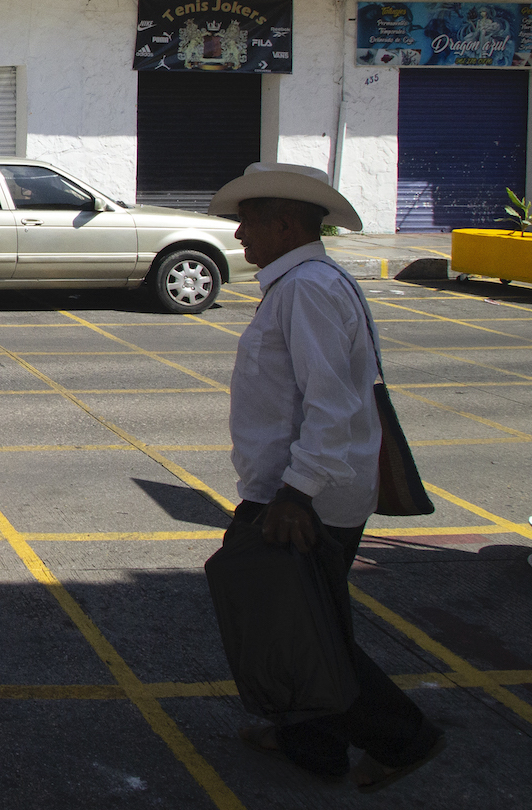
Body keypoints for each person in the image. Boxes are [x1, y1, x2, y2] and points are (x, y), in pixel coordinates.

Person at [207, 162, 445, 791]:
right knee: (299, 625)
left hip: (299, 500)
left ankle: (402, 737)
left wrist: (294, 494)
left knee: (309, 636)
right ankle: (309, 741)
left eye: (248, 223)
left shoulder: (307, 288)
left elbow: (332, 402)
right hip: (298, 491)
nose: (239, 237)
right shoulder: (305, 281)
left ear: (285, 223)